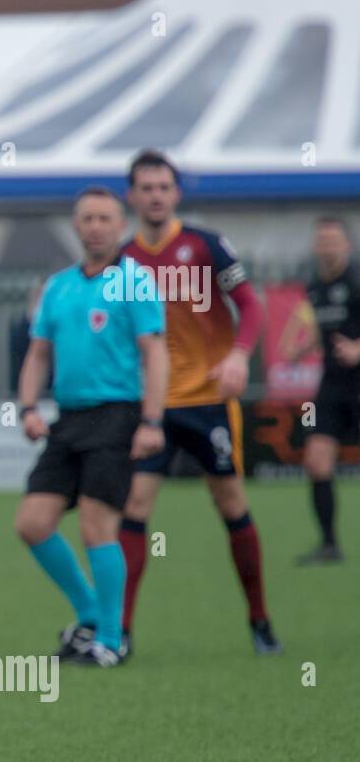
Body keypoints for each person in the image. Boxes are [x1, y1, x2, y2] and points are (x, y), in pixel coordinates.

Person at [119, 150, 280, 656]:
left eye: (163, 186)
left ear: (176, 193)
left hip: (208, 399)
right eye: (146, 187)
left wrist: (238, 356)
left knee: (230, 502)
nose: (155, 195)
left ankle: (259, 621)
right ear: (133, 195)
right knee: (135, 506)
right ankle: (119, 630)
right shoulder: (123, 260)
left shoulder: (206, 245)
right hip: (152, 405)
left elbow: (251, 305)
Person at [14, 187, 168, 666]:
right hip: (70, 420)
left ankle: (112, 638)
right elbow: (38, 354)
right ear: (76, 226)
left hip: (119, 416)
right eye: (87, 218)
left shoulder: (135, 282)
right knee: (33, 524)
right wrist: (27, 408)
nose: (96, 226)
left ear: (121, 225)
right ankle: (89, 616)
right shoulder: (58, 285)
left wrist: (152, 420)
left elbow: (156, 353)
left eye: (105, 217)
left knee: (97, 527)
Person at [287, 217, 360, 563]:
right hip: (332, 385)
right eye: (323, 241)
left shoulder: (358, 279)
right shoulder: (314, 287)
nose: (328, 247)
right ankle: (330, 545)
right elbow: (325, 332)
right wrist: (303, 349)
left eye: (334, 240)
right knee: (316, 460)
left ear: (347, 245)